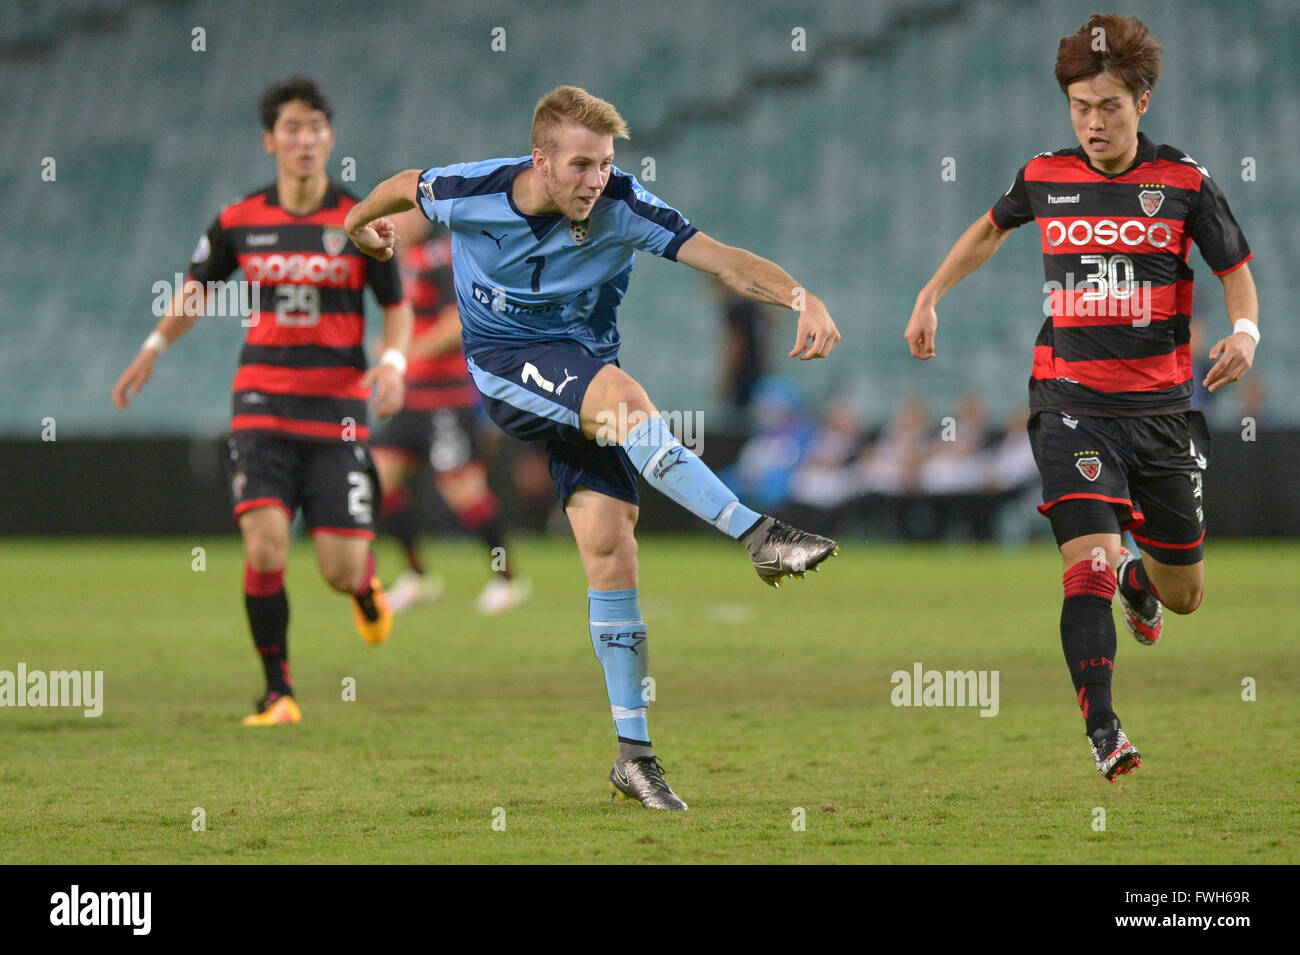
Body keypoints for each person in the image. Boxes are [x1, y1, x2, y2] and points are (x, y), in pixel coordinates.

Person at [343, 85, 842, 809]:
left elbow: (726, 261)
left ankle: (633, 756)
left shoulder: (623, 206)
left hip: (580, 371)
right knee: (626, 399)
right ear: (540, 160)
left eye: (604, 163)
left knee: (611, 546)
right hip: (507, 365)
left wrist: (802, 297)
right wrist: (360, 225)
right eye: (580, 165)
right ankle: (759, 533)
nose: (595, 180)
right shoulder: (474, 190)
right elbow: (400, 187)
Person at [904, 15, 1258, 781]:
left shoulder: (1184, 184)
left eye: (1109, 107)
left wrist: (1246, 333)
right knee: (1087, 565)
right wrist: (932, 292)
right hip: (1068, 403)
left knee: (1185, 593)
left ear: (1144, 101)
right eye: (1079, 107)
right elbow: (990, 230)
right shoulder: (1045, 175)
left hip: (1162, 412)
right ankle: (1104, 727)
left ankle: (1142, 580)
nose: (1093, 123)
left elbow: (1235, 268)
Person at [112, 77, 413, 726]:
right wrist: (153, 346)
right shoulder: (238, 219)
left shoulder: (360, 217)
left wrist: (392, 362)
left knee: (338, 568)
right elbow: (196, 290)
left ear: (329, 137)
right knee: (266, 547)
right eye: (292, 128)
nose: (304, 139)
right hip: (261, 407)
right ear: (270, 140)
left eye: (315, 127)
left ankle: (362, 584)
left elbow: (396, 306)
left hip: (336, 412)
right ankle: (278, 691)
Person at [372, 208, 532, 615]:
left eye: (406, 214)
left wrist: (401, 352)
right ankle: (416, 575)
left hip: (445, 398)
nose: (399, 222)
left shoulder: (443, 258)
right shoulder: (396, 262)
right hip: (408, 397)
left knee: (462, 491)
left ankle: (508, 579)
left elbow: (455, 321)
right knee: (383, 481)